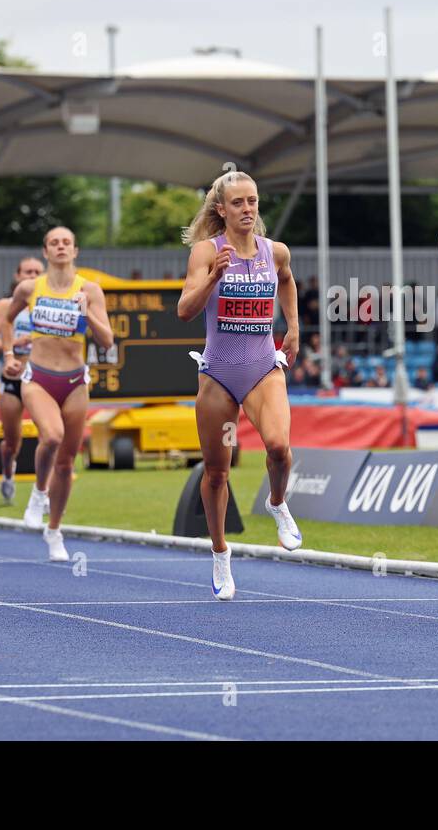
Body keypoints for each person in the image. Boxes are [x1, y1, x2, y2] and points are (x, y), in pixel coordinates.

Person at [177, 170, 303, 601]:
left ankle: (276, 501)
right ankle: (220, 553)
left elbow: (287, 280)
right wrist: (213, 277)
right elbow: (184, 311)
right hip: (218, 373)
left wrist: (294, 327)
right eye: (238, 203)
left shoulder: (275, 251)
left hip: (262, 367)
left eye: (252, 202)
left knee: (279, 448)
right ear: (221, 209)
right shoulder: (204, 253)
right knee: (216, 472)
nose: (247, 209)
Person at [4, 228, 113, 561]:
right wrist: (9, 354)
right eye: (55, 242)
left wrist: (87, 312)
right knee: (51, 436)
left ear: (75, 250)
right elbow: (6, 320)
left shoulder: (90, 290)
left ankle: (54, 531)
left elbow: (107, 340)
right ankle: (38, 493)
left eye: (67, 242)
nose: (61, 246)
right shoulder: (29, 288)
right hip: (37, 377)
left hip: (75, 382)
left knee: (66, 464)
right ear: (46, 251)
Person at [0, 257, 45, 503]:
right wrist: (13, 344)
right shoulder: (5, 306)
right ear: (17, 276)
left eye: (37, 271)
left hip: (40, 378)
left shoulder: (51, 305)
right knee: (11, 442)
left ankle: (43, 492)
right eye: (27, 271)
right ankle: (8, 471)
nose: (31, 275)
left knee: (48, 436)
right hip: (13, 379)